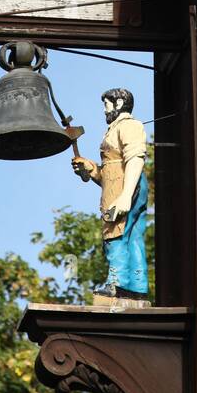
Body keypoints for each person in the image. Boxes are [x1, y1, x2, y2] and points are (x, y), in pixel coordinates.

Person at [71, 87, 149, 301]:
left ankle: (117, 283)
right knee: (132, 238)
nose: (104, 110)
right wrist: (90, 169)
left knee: (115, 235)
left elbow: (135, 159)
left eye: (106, 104)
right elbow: (109, 173)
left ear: (119, 104)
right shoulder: (115, 129)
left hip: (127, 187)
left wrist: (125, 195)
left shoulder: (129, 126)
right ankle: (137, 287)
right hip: (122, 186)